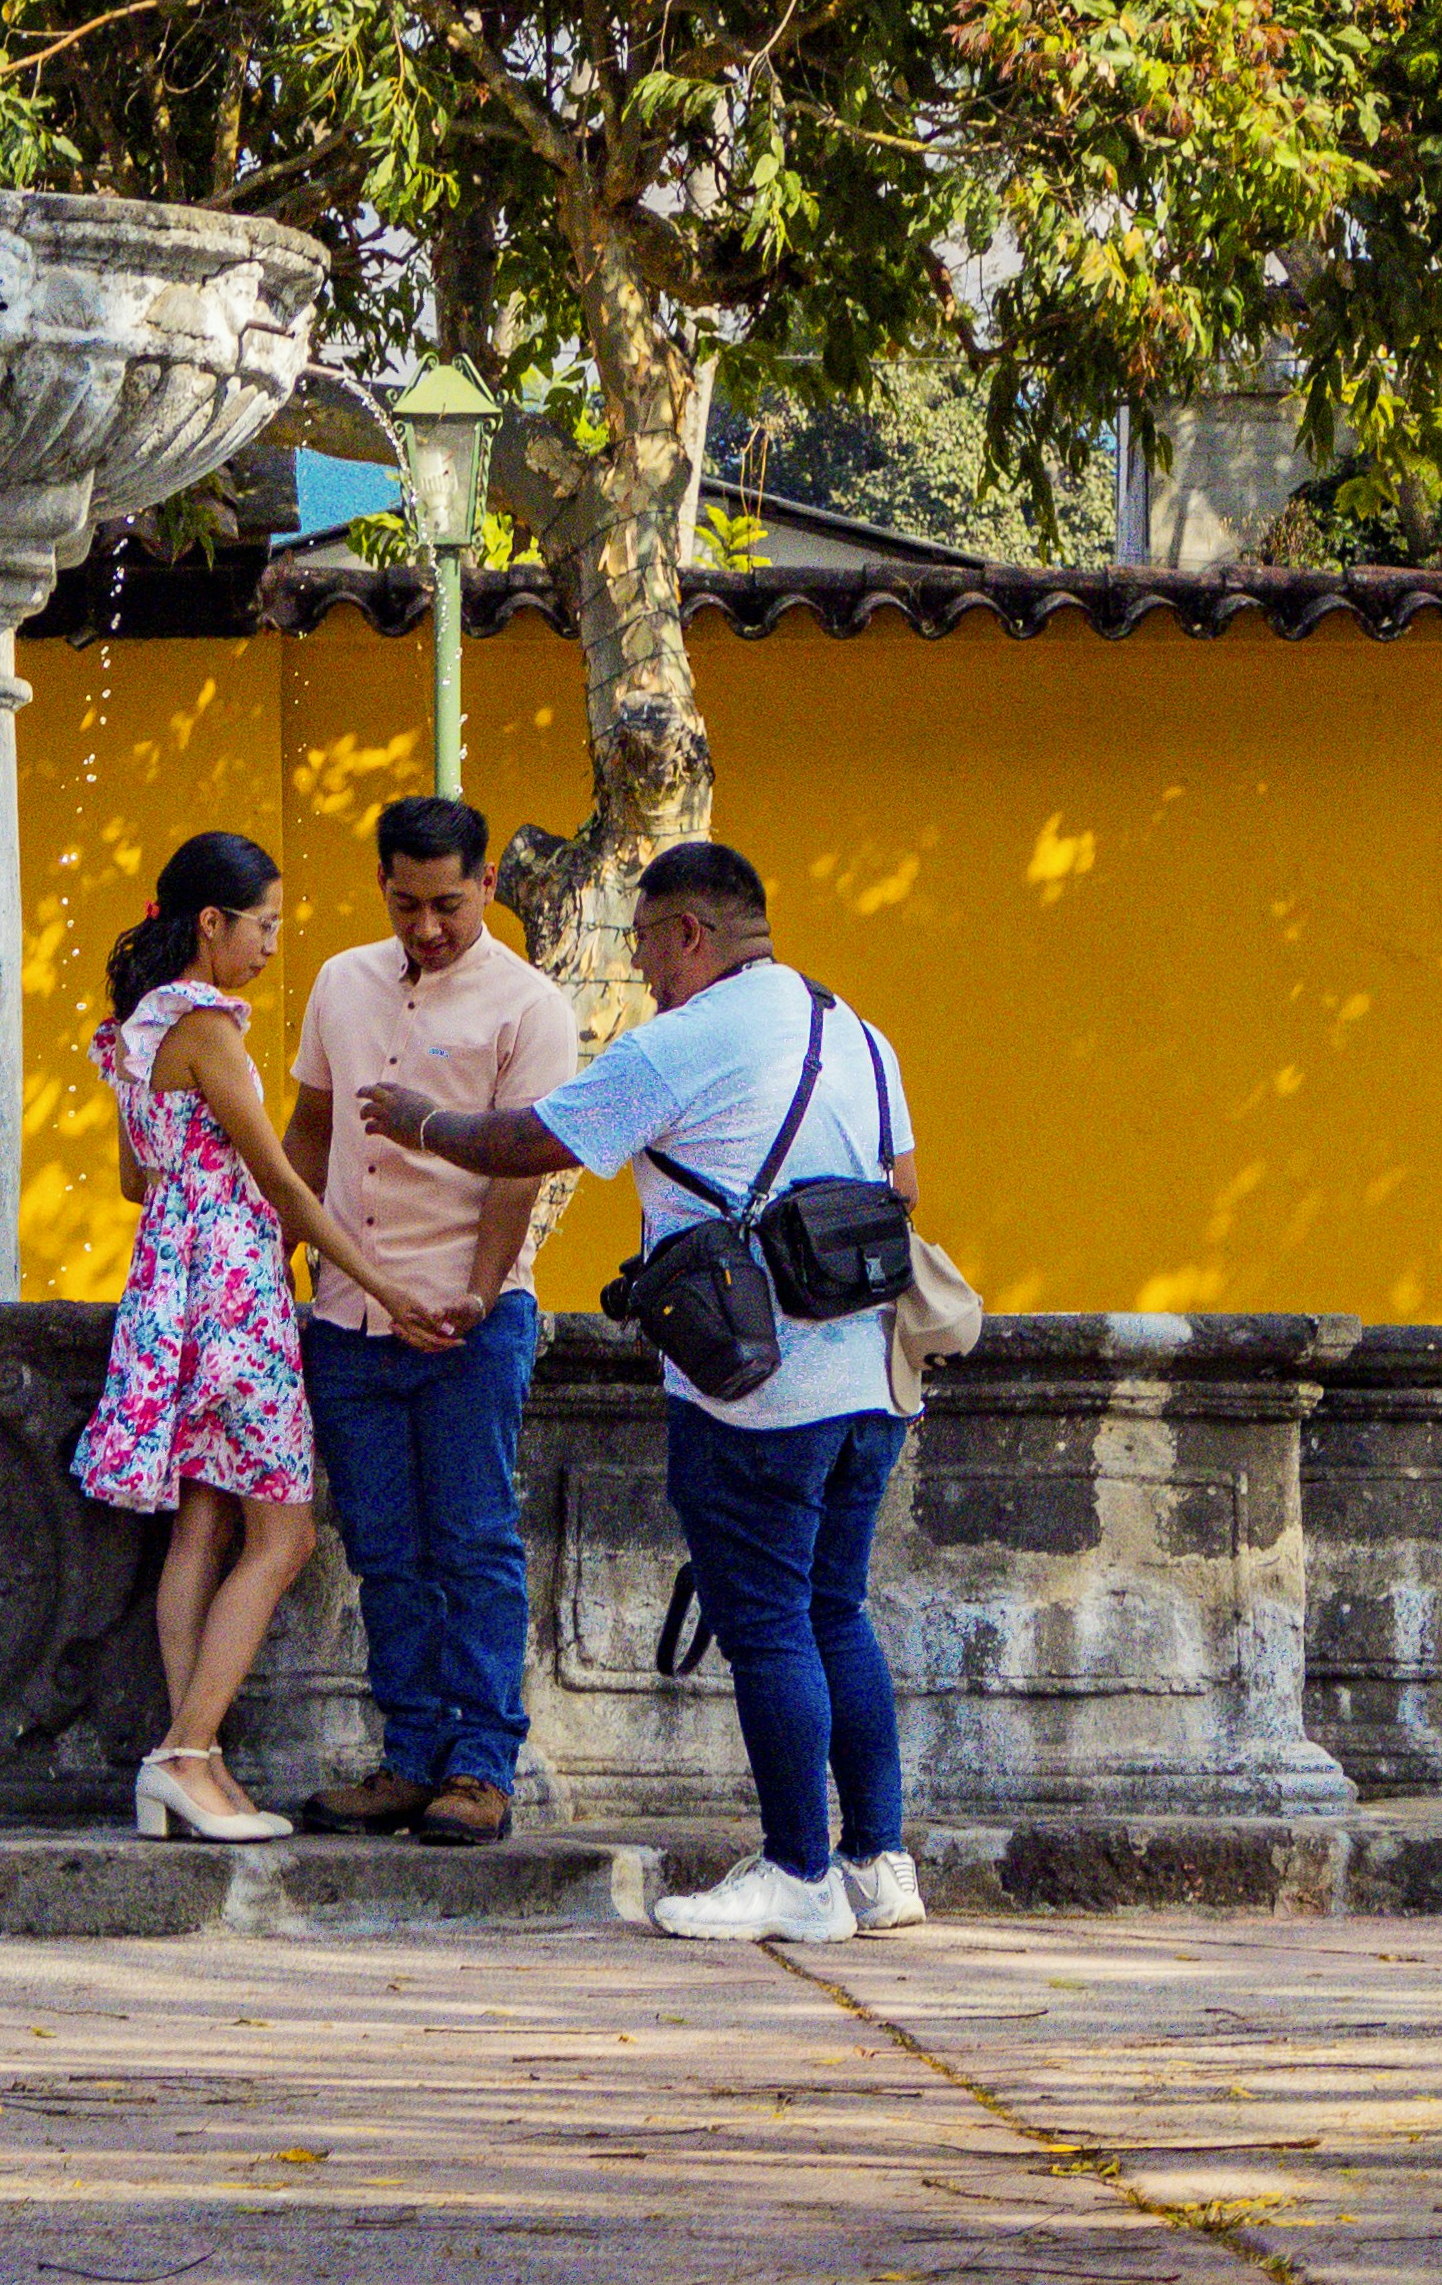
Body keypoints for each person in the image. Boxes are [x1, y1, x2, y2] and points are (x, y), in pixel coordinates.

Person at [361, 838, 927, 1941]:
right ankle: (879, 1863)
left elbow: (532, 1140)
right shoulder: (858, 1032)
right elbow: (901, 1189)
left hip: (757, 1389)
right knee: (837, 1614)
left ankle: (801, 1875)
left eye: (646, 948)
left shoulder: (681, 1040)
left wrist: (419, 1119)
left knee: (767, 1625)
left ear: (689, 934)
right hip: (873, 1376)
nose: (645, 971)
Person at [77, 829, 470, 1844]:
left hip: (170, 1275)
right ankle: (182, 1753)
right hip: (234, 1287)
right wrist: (387, 1288)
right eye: (264, 924)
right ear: (212, 922)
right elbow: (286, 1186)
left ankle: (194, 1761)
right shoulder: (206, 1025)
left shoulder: (138, 1026)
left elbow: (136, 1178)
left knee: (203, 1526)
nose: (271, 944)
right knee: (284, 1535)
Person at [282, 795, 580, 1848]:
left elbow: (520, 1170)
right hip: (348, 1317)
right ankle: (409, 1756)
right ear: (382, 885)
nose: (426, 927)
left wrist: (480, 1290)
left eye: (448, 903)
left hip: (468, 1317)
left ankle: (482, 1766)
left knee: (475, 1542)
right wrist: (275, 1259)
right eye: (405, 903)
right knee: (383, 1547)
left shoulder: (530, 1007)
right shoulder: (338, 983)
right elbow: (310, 1133)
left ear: (488, 884)